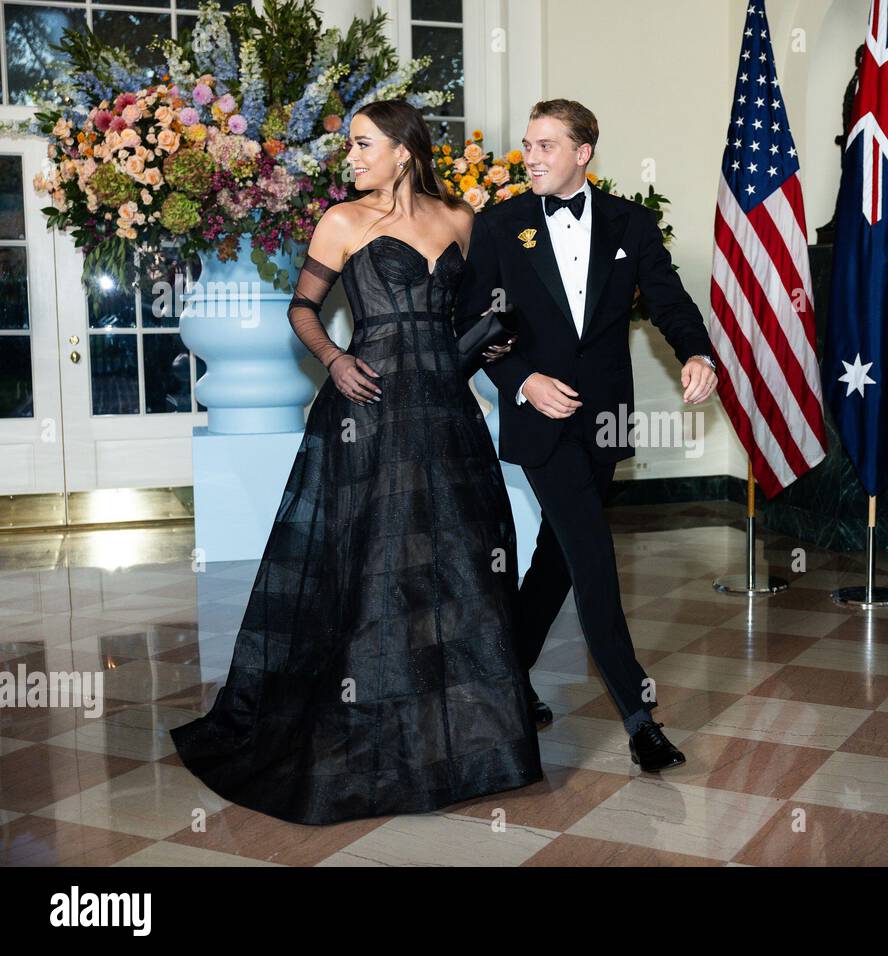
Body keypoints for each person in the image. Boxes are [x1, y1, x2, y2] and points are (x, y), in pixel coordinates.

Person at [169, 100, 543, 825]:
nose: (352, 156)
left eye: (364, 144)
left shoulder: (461, 219)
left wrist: (490, 342)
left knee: (460, 561)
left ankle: (476, 741)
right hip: (367, 407)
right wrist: (335, 358)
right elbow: (302, 308)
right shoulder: (340, 222)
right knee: (371, 560)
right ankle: (371, 731)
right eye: (351, 145)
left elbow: (470, 315)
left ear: (404, 150)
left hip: (444, 410)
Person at [457, 99, 718, 773]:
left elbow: (668, 298)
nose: (531, 157)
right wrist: (522, 381)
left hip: (604, 418)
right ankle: (639, 717)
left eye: (546, 145)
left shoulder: (631, 222)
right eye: (528, 145)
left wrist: (698, 352)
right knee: (594, 555)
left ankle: (504, 677)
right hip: (538, 416)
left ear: (583, 153)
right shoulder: (498, 226)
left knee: (557, 555)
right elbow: (472, 326)